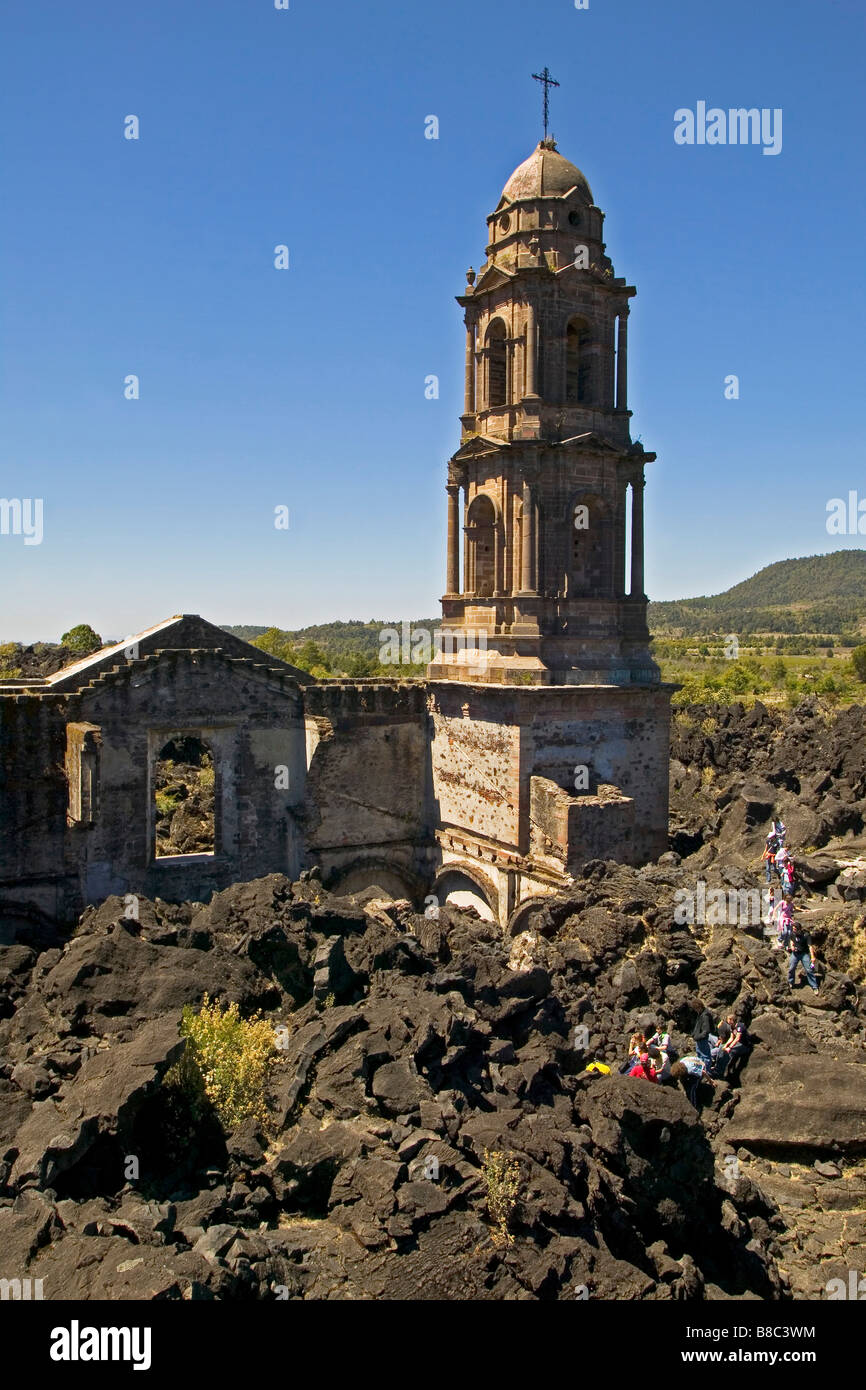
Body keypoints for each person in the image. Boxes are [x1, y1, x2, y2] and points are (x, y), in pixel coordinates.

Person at [714, 1015, 753, 1082]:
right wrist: (725, 1046)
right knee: (721, 1049)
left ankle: (723, 1072)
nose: (727, 1021)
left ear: (732, 1020)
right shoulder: (732, 1027)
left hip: (744, 1045)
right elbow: (731, 1038)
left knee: (730, 1051)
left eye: (728, 1019)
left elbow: (737, 1038)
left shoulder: (740, 1026)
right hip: (738, 1044)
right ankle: (717, 1068)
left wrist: (729, 1047)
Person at [785, 922, 820, 993]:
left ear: (799, 929)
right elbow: (792, 940)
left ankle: (814, 986)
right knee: (791, 968)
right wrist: (792, 946)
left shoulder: (806, 935)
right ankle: (790, 982)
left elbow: (810, 946)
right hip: (795, 954)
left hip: (804, 954)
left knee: (809, 970)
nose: (794, 930)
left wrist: (812, 957)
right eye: (793, 929)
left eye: (795, 929)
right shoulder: (792, 933)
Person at [691, 999, 715, 1067]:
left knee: (705, 1057)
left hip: (702, 1040)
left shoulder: (705, 1015)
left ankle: (707, 1072)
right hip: (699, 1039)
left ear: (699, 1007)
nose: (696, 1010)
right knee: (700, 1056)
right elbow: (698, 1025)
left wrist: (697, 1037)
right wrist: (694, 1034)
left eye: (696, 1009)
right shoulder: (701, 1014)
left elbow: (706, 1030)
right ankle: (702, 1072)